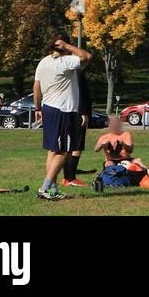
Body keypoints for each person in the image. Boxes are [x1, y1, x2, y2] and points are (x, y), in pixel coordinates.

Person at [33, 36, 92, 200]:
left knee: (53, 151)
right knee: (64, 152)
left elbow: (36, 87)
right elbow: (86, 56)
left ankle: (52, 189)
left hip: (49, 109)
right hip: (63, 111)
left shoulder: (43, 62)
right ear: (62, 46)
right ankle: (45, 188)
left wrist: (38, 107)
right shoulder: (65, 61)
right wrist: (68, 45)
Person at [62, 66, 91, 187]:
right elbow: (81, 92)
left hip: (64, 111)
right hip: (77, 112)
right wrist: (84, 112)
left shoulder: (63, 72)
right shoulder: (77, 72)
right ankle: (71, 178)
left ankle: (66, 178)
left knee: (67, 146)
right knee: (77, 145)